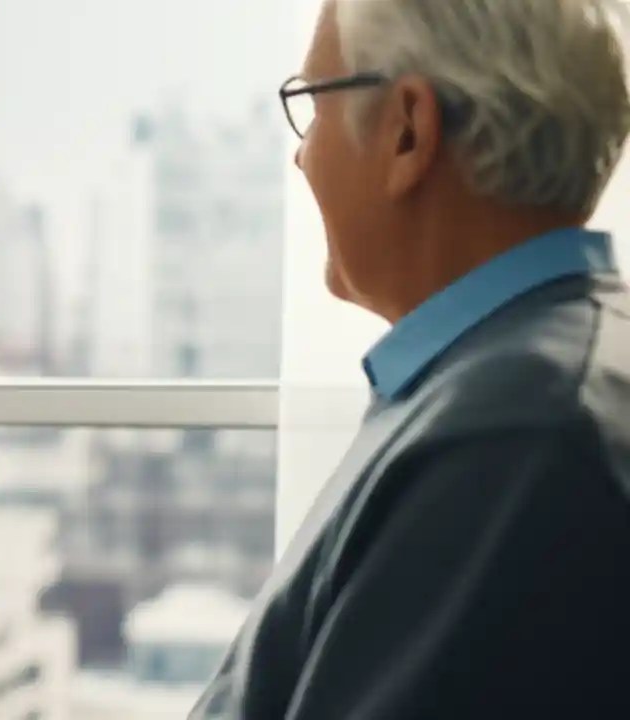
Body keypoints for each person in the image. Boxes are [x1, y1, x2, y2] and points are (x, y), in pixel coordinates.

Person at [191, 1, 630, 718]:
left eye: (313, 105)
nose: (301, 154)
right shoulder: (514, 387)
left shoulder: (514, 435)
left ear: (408, 131)